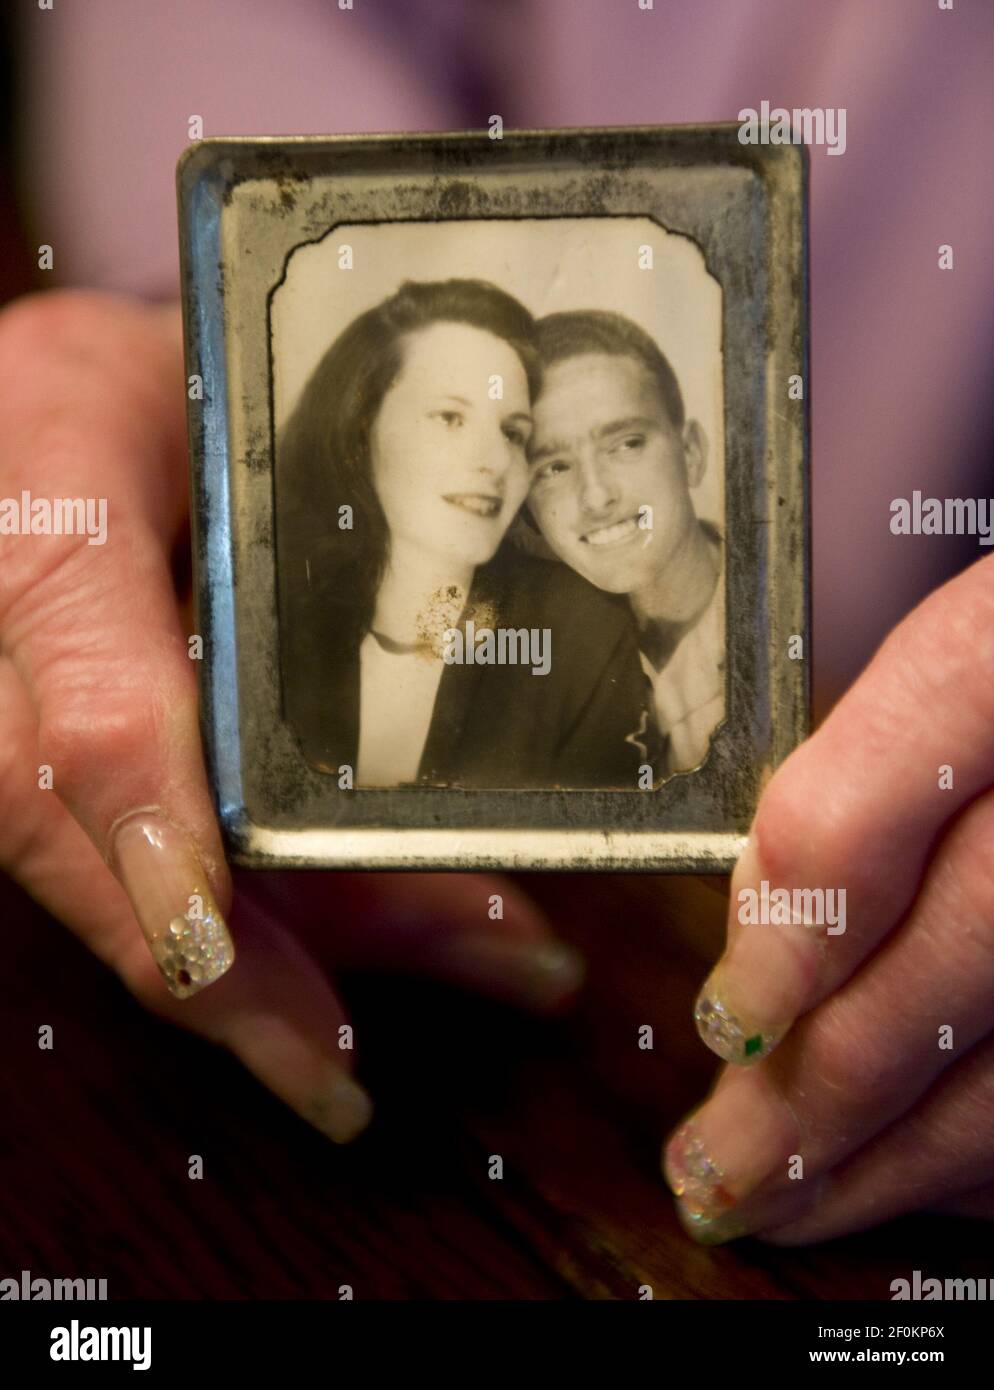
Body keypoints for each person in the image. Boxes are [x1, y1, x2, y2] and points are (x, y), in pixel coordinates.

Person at [277, 278, 651, 790]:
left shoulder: (578, 634)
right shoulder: (279, 617)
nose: (495, 461)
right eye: (450, 417)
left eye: (513, 433)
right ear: (361, 431)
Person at [526, 310, 724, 776]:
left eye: (626, 444)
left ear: (691, 453)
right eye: (554, 468)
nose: (596, 497)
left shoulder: (795, 620)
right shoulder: (535, 669)